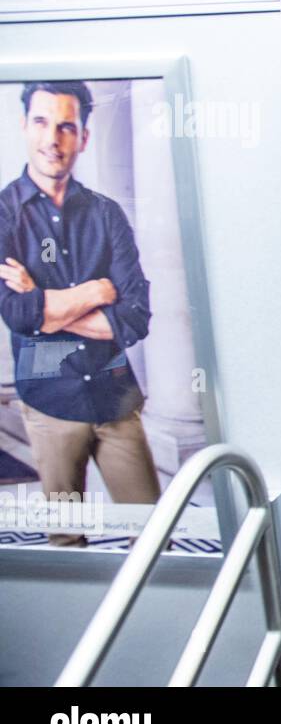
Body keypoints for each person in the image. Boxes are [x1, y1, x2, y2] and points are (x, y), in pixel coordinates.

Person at [0, 81, 158, 546]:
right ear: (25, 127)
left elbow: (135, 317)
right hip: (50, 402)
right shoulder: (4, 216)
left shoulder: (107, 215)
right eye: (42, 122)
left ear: (84, 137)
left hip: (115, 397)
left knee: (154, 538)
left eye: (67, 126)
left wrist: (47, 304)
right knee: (67, 541)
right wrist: (95, 291)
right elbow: (19, 314)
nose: (54, 138)